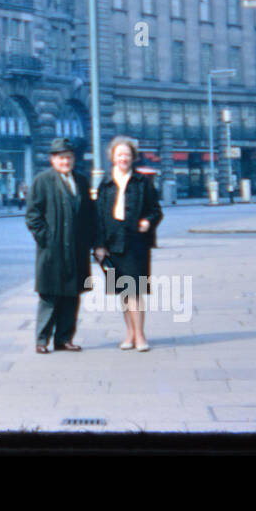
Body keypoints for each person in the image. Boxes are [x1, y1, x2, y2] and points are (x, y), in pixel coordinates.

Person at [25, 138, 97, 353]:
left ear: (73, 159)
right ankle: (42, 340)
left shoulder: (82, 181)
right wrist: (46, 239)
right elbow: (32, 215)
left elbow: (90, 215)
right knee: (49, 296)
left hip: (77, 250)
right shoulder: (42, 181)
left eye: (69, 157)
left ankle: (64, 339)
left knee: (72, 295)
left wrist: (92, 242)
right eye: (61, 157)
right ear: (52, 159)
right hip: (52, 250)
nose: (66, 161)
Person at [94, 136, 164, 351]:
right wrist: (99, 245)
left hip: (135, 244)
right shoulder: (105, 185)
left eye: (127, 154)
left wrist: (147, 221)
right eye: (119, 155)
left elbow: (156, 211)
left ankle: (140, 336)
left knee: (135, 291)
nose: (123, 158)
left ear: (133, 157)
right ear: (112, 158)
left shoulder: (143, 183)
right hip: (112, 245)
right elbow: (97, 218)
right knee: (123, 292)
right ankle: (130, 334)